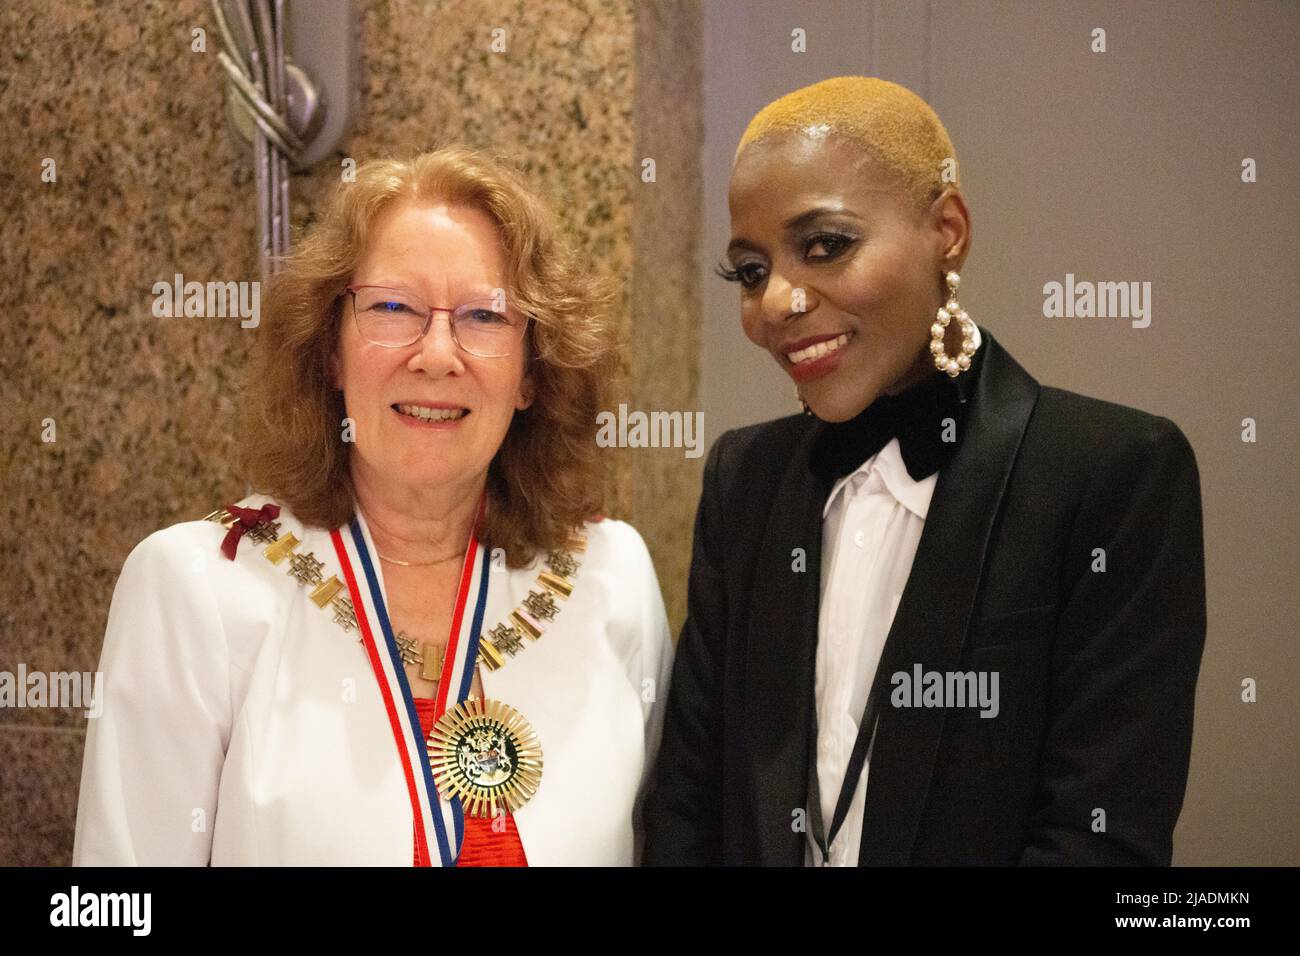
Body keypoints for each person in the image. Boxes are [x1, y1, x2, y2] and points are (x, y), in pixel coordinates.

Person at [641, 77, 1206, 865]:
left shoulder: (1113, 476)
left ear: (948, 231)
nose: (777, 302)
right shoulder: (745, 478)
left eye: (824, 245)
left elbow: (1098, 839)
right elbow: (686, 805)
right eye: (751, 270)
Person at [73, 146, 673, 867]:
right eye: (393, 307)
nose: (437, 354)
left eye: (485, 316)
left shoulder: (609, 577)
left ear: (531, 374)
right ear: (330, 351)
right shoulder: (195, 588)